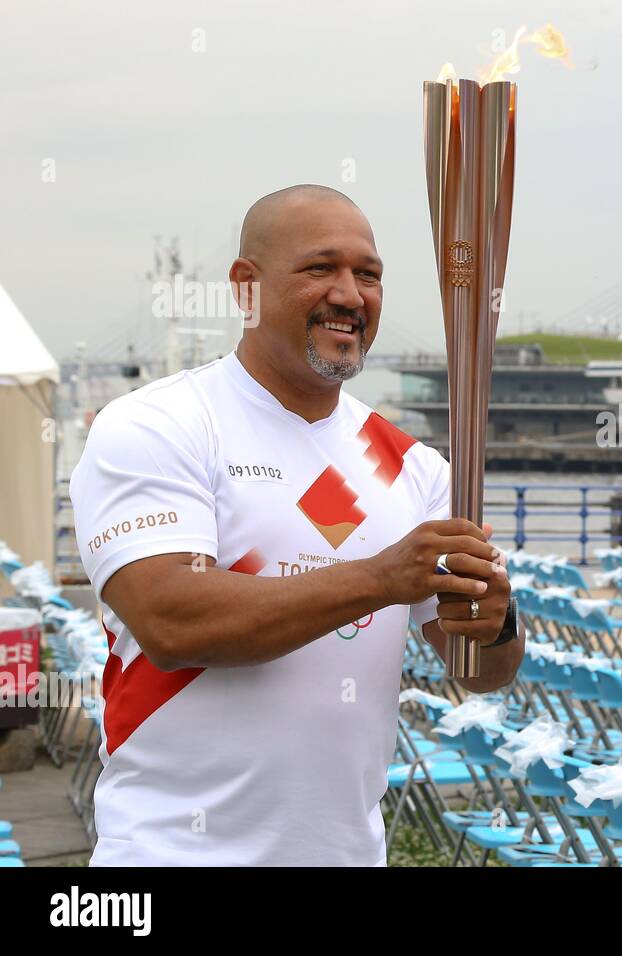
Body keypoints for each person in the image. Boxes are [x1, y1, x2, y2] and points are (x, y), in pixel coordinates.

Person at [69, 184, 523, 866]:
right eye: (321, 268)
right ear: (247, 288)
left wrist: (496, 620)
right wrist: (379, 578)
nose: (350, 294)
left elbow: (482, 672)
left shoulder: (411, 466)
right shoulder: (162, 424)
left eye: (367, 274)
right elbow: (172, 623)